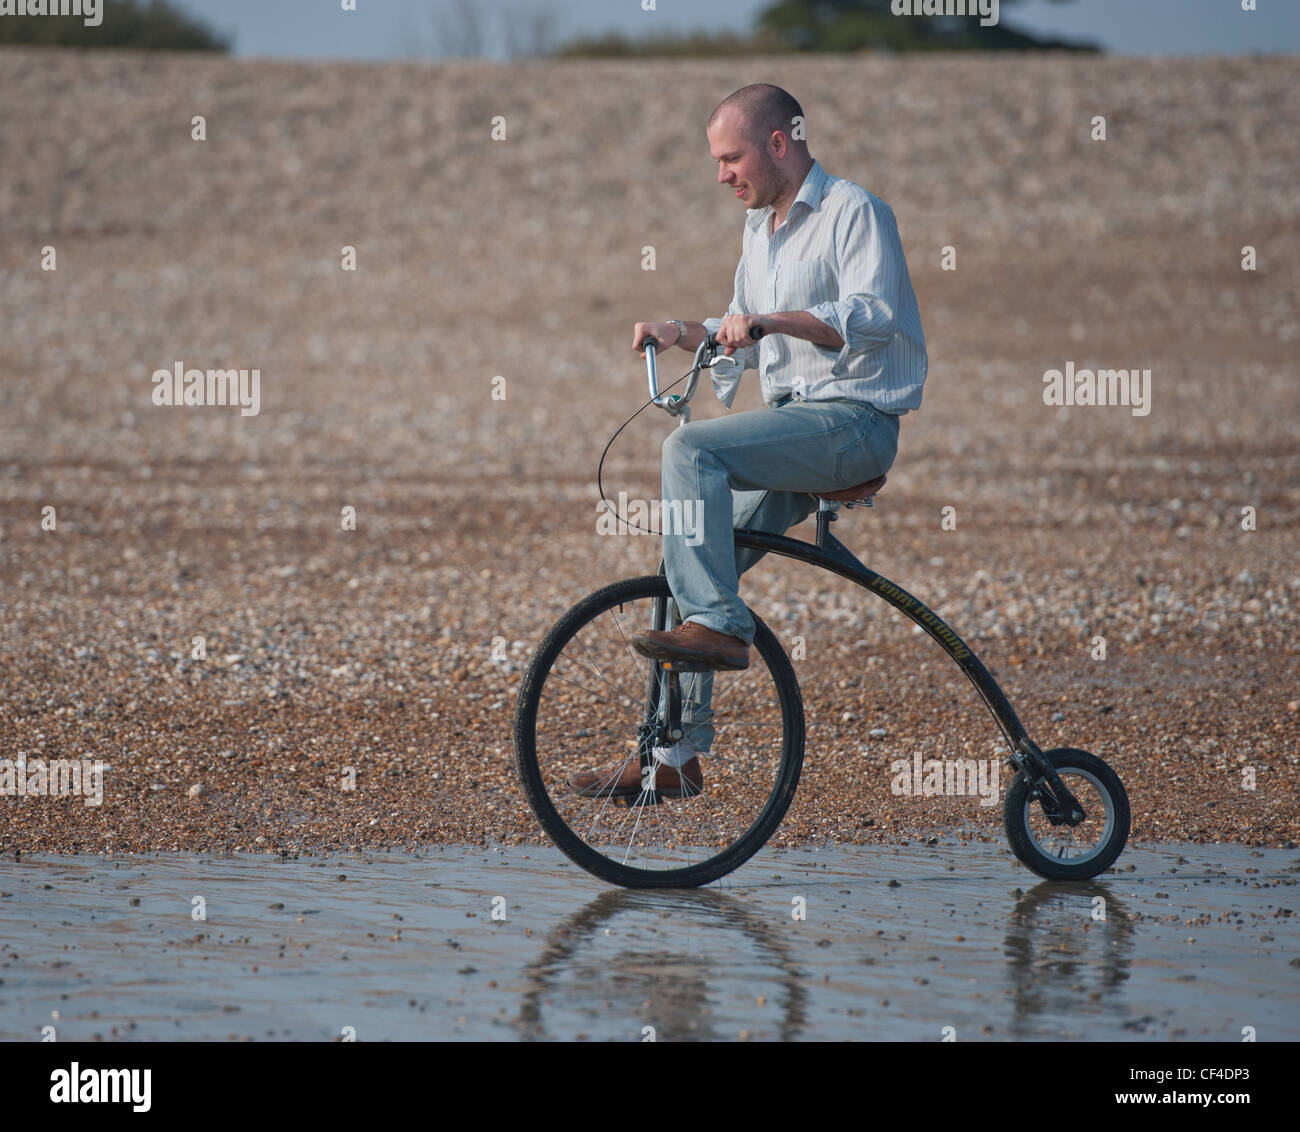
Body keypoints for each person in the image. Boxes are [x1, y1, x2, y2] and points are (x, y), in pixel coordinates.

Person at [569, 83, 927, 799]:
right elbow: (738, 329)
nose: (723, 175)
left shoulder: (855, 212)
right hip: (798, 428)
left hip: (853, 423)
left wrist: (772, 324)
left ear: (777, 142)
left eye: (731, 158)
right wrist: (682, 333)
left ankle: (723, 626)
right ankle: (674, 758)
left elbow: (871, 316)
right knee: (688, 559)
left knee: (690, 452)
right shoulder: (759, 233)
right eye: (716, 162)